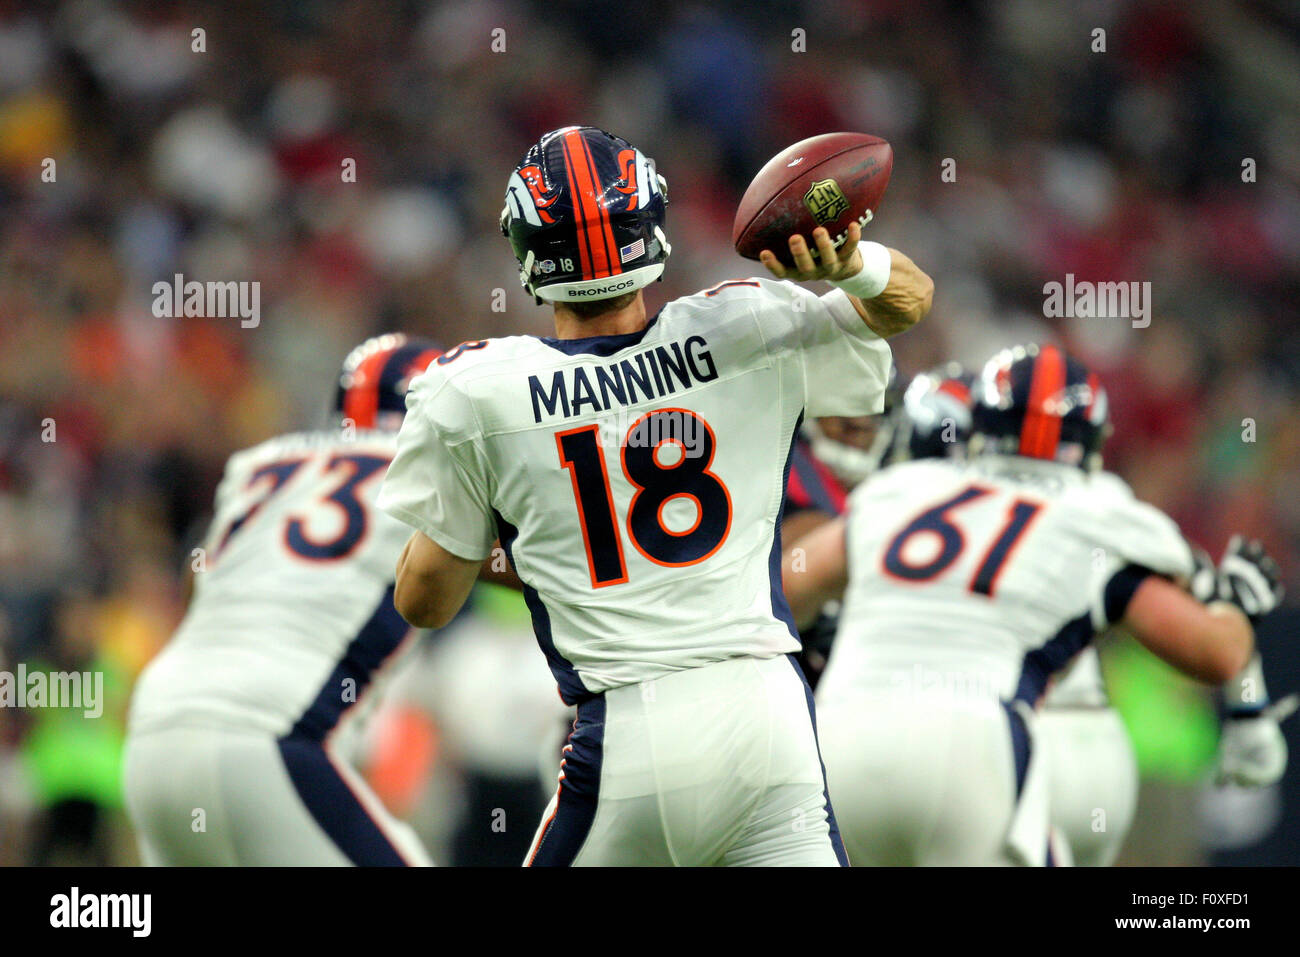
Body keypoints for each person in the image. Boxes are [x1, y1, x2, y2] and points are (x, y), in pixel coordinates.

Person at [376, 125, 933, 866]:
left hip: (631, 730)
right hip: (770, 715)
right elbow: (910, 300)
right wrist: (850, 261)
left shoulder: (475, 392)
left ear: (525, 248)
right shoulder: (746, 323)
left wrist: (514, 527)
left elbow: (425, 601)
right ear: (652, 223)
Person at [782, 342, 1285, 865]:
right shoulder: (1096, 510)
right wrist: (1235, 609)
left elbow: (784, 597)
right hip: (976, 745)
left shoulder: (901, 490)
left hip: (837, 742)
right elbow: (1216, 652)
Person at [123, 334, 442, 866]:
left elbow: (195, 580)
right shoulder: (428, 470)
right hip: (271, 739)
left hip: (155, 731)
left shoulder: (262, 463)